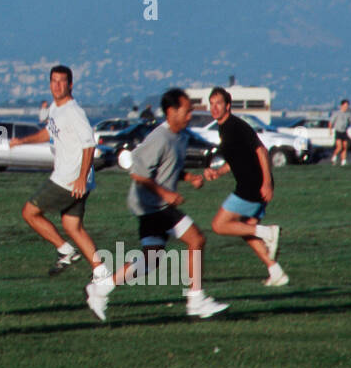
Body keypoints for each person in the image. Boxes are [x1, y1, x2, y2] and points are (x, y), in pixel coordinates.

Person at [84, 88, 229, 321]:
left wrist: (187, 177)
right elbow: (138, 174)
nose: (191, 114)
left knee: (151, 260)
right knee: (196, 239)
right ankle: (196, 299)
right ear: (171, 111)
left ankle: (100, 289)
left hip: (156, 205)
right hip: (152, 205)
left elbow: (167, 167)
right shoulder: (158, 138)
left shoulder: (181, 136)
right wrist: (166, 194)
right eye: (187, 110)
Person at [9, 65, 109, 284]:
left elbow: (89, 145)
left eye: (62, 81)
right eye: (53, 81)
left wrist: (81, 177)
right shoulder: (55, 108)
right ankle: (101, 273)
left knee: (29, 212)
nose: (57, 85)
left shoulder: (74, 112)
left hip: (68, 179)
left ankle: (66, 251)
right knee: (73, 226)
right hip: (76, 180)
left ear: (70, 85)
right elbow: (48, 132)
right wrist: (22, 141)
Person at [203, 87, 288, 287]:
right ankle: (276, 272)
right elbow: (235, 160)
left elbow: (261, 150)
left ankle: (268, 233)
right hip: (252, 183)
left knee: (219, 225)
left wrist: (267, 182)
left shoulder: (236, 126)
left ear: (228, 106)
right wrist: (217, 172)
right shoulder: (224, 128)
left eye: (219, 103)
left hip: (254, 184)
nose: (214, 108)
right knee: (246, 230)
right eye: (212, 103)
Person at [330, 99, 351, 166]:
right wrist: (330, 131)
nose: (346, 107)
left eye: (347, 105)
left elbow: (350, 122)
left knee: (345, 147)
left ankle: (343, 161)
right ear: (342, 105)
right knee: (339, 147)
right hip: (338, 131)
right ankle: (334, 157)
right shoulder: (337, 113)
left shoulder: (348, 114)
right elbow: (331, 122)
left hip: (344, 131)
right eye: (345, 105)